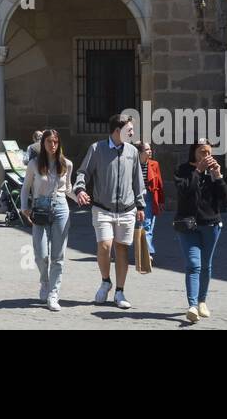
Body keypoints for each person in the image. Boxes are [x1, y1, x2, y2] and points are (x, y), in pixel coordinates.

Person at [72, 114, 145, 310]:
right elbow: (82, 173)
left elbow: (138, 180)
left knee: (121, 249)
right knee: (104, 247)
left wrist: (141, 205)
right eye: (129, 129)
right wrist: (79, 189)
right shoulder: (97, 149)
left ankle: (120, 291)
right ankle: (106, 281)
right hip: (102, 208)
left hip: (127, 210)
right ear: (116, 130)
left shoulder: (132, 151)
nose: (131, 133)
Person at [175, 140, 227, 324]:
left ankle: (202, 301)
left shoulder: (213, 171)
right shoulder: (183, 170)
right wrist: (198, 171)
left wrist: (218, 176)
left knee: (206, 264)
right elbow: (185, 191)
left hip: (211, 224)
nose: (206, 156)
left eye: (208, 152)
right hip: (188, 224)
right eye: (202, 152)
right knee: (193, 264)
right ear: (194, 152)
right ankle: (192, 305)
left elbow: (224, 197)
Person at [21, 128, 73, 311]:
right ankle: (44, 281)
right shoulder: (34, 164)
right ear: (43, 144)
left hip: (61, 208)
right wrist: (24, 208)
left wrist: (79, 196)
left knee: (58, 256)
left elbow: (67, 189)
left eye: (55, 142)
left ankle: (53, 294)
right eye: (49, 141)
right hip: (40, 208)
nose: (52, 145)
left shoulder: (66, 164)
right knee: (41, 254)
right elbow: (25, 187)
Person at [135, 140, 163, 257]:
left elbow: (159, 183)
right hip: (135, 197)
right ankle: (145, 252)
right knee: (139, 225)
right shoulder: (133, 164)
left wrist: (161, 201)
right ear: (140, 152)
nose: (150, 151)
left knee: (147, 225)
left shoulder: (154, 164)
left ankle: (147, 252)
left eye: (150, 149)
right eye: (147, 149)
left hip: (150, 197)